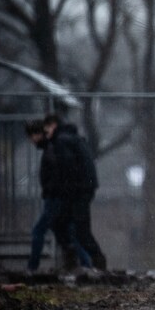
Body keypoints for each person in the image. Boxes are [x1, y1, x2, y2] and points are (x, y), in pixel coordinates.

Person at [24, 119, 89, 272]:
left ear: (38, 134)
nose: (32, 140)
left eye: (32, 135)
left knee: (39, 231)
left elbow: (58, 174)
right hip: (57, 197)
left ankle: (32, 267)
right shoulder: (54, 147)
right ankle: (86, 263)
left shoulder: (52, 148)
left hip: (54, 198)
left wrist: (52, 192)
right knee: (67, 232)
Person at [45, 114, 108, 271]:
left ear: (52, 126)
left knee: (64, 223)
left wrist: (62, 188)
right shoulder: (73, 138)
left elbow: (68, 168)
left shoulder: (62, 141)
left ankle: (85, 259)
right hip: (84, 189)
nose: (46, 134)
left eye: (46, 130)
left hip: (77, 190)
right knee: (78, 227)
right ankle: (90, 259)